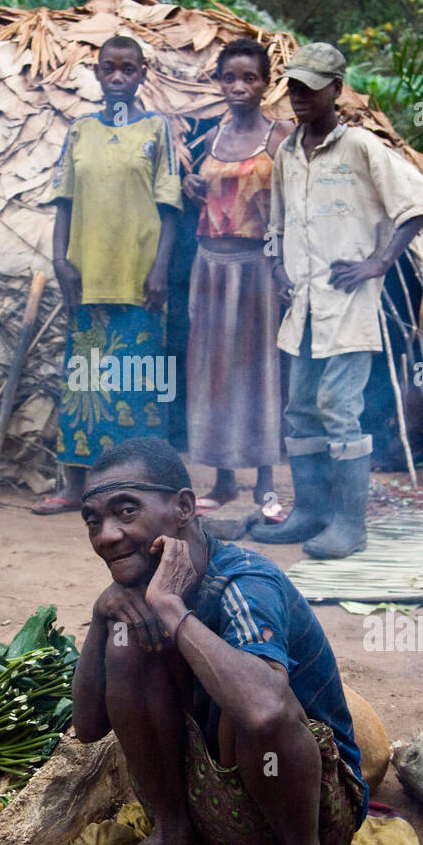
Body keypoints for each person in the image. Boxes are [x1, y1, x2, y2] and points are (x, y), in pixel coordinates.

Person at [72, 436, 368, 845]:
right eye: (93, 521)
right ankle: (171, 834)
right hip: (212, 803)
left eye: (126, 511)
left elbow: (265, 712)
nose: (107, 535)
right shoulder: (134, 589)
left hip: (311, 809)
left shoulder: (244, 582)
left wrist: (170, 607)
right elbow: (86, 728)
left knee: (249, 689)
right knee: (126, 639)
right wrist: (101, 619)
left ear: (184, 507)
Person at [249, 43, 423, 558]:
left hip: (348, 303)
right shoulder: (288, 152)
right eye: (293, 87)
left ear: (336, 90)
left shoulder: (359, 147)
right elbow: (278, 223)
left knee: (339, 408)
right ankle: (309, 512)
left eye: (311, 89)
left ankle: (348, 525)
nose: (299, 98)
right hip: (305, 306)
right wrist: (276, 265)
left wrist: (379, 263)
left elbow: (422, 203)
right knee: (299, 411)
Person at [33, 36, 182, 514]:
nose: (118, 77)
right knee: (84, 383)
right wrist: (60, 260)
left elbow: (170, 207)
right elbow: (64, 200)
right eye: (109, 69)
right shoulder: (79, 131)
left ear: (142, 74)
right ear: (97, 74)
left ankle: (137, 494)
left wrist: (161, 267)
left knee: (137, 383)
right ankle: (75, 490)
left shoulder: (157, 130)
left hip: (139, 280)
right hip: (88, 277)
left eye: (128, 69)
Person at [182, 38, 293, 512]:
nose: (239, 86)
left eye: (250, 77)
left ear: (266, 83)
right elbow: (206, 200)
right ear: (219, 83)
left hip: (258, 267)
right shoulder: (210, 140)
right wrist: (192, 187)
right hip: (209, 265)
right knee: (214, 371)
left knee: (260, 369)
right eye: (230, 77)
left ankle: (265, 479)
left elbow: (295, 203)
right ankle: (224, 479)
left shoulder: (280, 136)